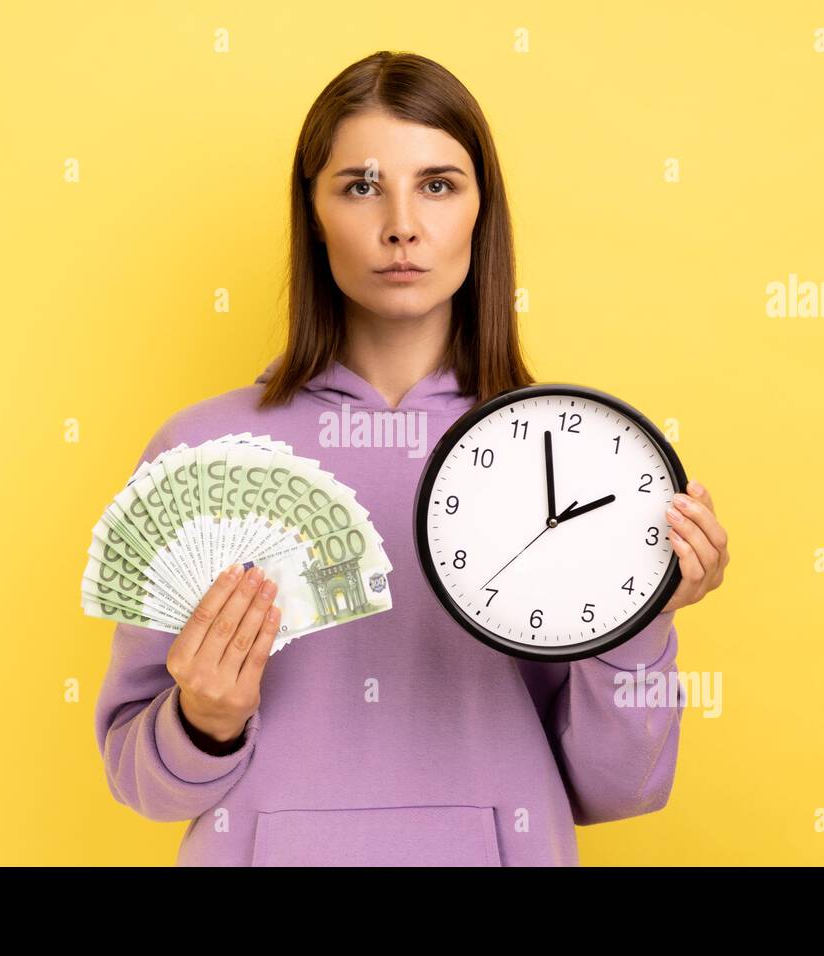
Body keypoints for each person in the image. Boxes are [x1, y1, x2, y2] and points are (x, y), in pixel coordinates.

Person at [93, 51, 731, 866]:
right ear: (313, 213)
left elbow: (622, 789)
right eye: (361, 186)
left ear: (480, 212)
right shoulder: (201, 450)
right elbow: (139, 781)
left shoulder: (582, 454)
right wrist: (203, 721)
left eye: (437, 184)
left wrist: (646, 620)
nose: (401, 223)